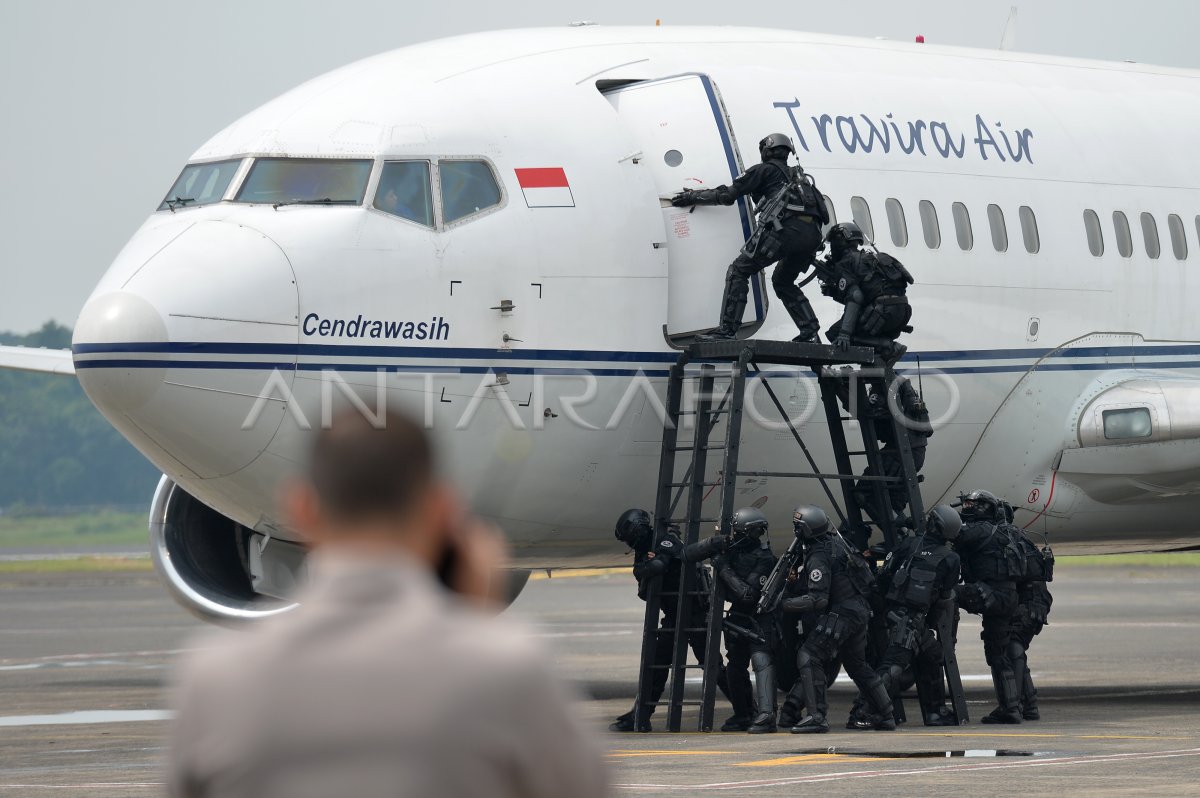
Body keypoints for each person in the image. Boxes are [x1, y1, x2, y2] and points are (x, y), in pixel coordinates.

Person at [167, 409, 608, 798]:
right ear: (441, 510)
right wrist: (477, 623)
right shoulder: (510, 669)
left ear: (301, 509)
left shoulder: (216, 676)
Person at [670, 133, 828, 343]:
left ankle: (727, 331)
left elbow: (727, 195)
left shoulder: (764, 170)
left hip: (787, 232)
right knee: (783, 281)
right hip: (813, 237)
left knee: (739, 270)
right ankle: (810, 333)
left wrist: (693, 196)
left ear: (767, 151)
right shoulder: (801, 180)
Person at [779, 505, 896, 734]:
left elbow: (818, 599)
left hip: (842, 614)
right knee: (857, 665)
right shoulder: (838, 543)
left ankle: (817, 717)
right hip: (859, 611)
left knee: (809, 655)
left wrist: (784, 604)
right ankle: (886, 714)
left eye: (798, 527)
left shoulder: (818, 555)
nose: (795, 531)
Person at [609, 508, 728, 732]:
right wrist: (646, 567)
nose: (630, 544)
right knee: (657, 663)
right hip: (673, 614)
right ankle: (640, 715)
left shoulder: (665, 540)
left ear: (638, 531)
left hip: (694, 612)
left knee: (711, 664)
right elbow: (642, 579)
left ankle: (746, 710)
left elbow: (657, 566)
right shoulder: (645, 547)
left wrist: (647, 566)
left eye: (629, 538)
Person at [862, 504, 962, 728]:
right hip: (912, 618)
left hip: (895, 613)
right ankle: (862, 710)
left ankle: (935, 712)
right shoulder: (951, 558)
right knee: (893, 667)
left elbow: (885, 573)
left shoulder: (908, 544)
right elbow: (945, 596)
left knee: (932, 655)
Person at [692, 508, 779, 732]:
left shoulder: (764, 558)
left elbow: (748, 595)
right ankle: (743, 714)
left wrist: (723, 567)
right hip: (738, 617)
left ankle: (767, 716)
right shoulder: (732, 550)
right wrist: (712, 543)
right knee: (734, 668)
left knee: (761, 662)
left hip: (759, 617)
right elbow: (687, 555)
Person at [951, 488, 1023, 724]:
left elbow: (952, 534)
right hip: (1008, 597)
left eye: (971, 505)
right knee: (998, 654)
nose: (967, 509)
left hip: (989, 594)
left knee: (945, 594)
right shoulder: (1010, 532)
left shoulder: (980, 529)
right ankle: (1011, 708)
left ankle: (943, 648)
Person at [821, 222, 914, 365]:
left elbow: (855, 297)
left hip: (882, 312)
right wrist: (834, 291)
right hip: (902, 312)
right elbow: (869, 292)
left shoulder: (845, 263)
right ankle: (881, 360)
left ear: (839, 242)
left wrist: (845, 334)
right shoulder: (869, 258)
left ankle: (889, 347)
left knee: (835, 333)